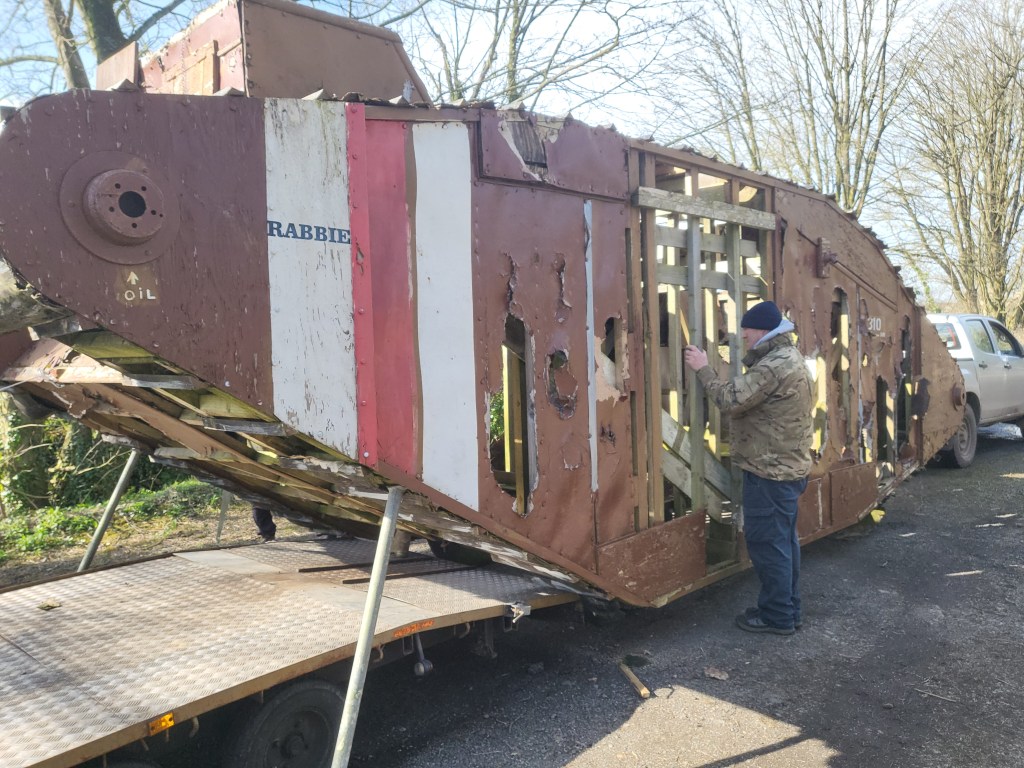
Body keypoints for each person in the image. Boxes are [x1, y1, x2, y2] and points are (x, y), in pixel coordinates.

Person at [683, 300, 813, 636]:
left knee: (769, 546)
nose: (742, 335)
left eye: (747, 330)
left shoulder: (774, 366)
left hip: (770, 473)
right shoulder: (788, 356)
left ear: (763, 330)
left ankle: (777, 616)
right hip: (786, 469)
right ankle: (788, 610)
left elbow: (731, 399)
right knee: (784, 544)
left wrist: (703, 368)